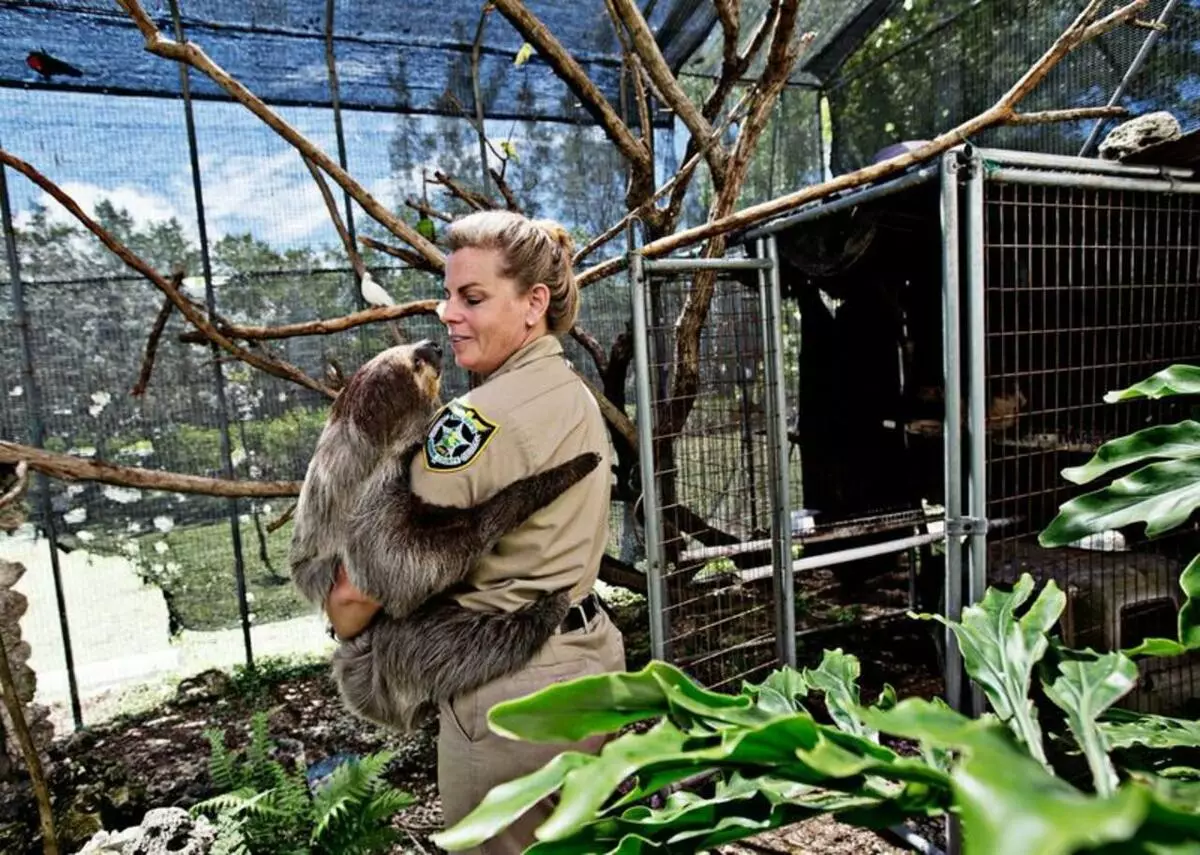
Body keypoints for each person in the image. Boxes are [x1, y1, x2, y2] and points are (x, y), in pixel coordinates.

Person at [324, 210, 626, 855]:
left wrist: (343, 621)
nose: (447, 313)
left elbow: (371, 583)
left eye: (473, 298)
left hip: (513, 688)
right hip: (590, 653)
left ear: (533, 303)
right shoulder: (569, 390)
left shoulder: (476, 420)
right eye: (449, 295)